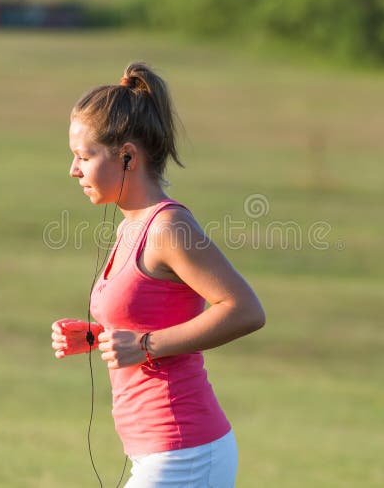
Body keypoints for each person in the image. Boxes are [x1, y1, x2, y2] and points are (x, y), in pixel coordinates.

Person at [51, 62, 265, 488]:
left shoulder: (168, 228)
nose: (73, 171)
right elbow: (150, 313)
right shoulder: (131, 224)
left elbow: (245, 310)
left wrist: (146, 344)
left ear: (128, 156)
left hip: (185, 453)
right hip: (157, 452)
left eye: (84, 157)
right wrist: (98, 335)